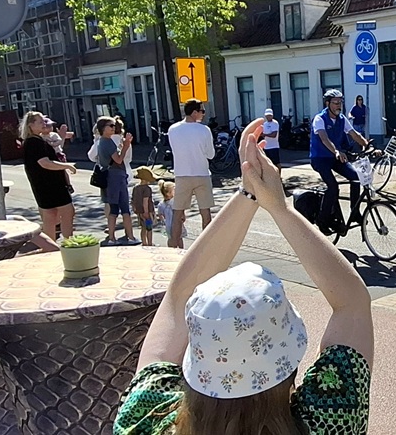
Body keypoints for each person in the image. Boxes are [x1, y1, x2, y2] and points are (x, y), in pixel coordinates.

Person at [113, 118, 373, 435]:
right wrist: (279, 207)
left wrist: (246, 195)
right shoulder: (330, 420)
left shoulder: (146, 420)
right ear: (289, 363)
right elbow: (353, 303)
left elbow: (177, 298)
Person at [310, 89, 370, 235]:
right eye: (335, 103)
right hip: (320, 159)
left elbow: (354, 134)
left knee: (356, 178)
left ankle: (355, 212)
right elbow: (324, 139)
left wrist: (369, 146)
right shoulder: (319, 119)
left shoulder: (342, 119)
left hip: (335, 158)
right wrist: (336, 151)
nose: (338, 106)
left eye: (340, 103)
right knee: (333, 187)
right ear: (327, 103)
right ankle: (322, 220)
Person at [20, 111, 77, 241]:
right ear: (30, 125)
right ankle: (69, 242)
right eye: (40, 122)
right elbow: (45, 163)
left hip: (43, 185)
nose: (44, 124)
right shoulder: (34, 142)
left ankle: (51, 246)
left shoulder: (35, 140)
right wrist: (66, 166)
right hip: (50, 185)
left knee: (50, 216)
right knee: (67, 212)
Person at [167, 99, 217, 248]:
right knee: (205, 212)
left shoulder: (173, 129)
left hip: (182, 174)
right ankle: (205, 248)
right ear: (194, 112)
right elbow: (211, 154)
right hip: (201, 173)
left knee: (177, 213)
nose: (203, 114)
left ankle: (173, 246)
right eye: (202, 111)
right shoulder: (204, 130)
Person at [96, 116, 139, 246]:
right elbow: (118, 160)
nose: (114, 128)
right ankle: (128, 237)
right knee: (122, 207)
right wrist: (126, 146)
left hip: (112, 176)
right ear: (103, 128)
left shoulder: (103, 142)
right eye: (111, 126)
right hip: (115, 177)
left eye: (114, 125)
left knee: (115, 208)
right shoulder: (107, 142)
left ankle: (114, 237)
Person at [41, 117, 73, 193]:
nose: (49, 128)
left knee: (63, 169)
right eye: (47, 126)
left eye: (51, 126)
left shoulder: (53, 135)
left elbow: (59, 141)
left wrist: (53, 144)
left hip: (58, 154)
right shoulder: (41, 137)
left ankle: (68, 184)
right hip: (49, 155)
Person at [156, 180, 186, 248]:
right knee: (179, 237)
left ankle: (171, 249)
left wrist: (163, 221)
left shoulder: (161, 204)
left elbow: (160, 214)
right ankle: (181, 249)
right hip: (177, 222)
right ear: (168, 193)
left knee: (170, 238)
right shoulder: (175, 201)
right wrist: (183, 216)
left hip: (168, 224)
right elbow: (180, 209)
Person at [131, 166, 157, 247]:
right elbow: (145, 201)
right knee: (149, 228)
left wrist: (135, 209)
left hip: (139, 212)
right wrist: (146, 212)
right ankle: (149, 243)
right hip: (147, 212)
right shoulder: (147, 189)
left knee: (143, 228)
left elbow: (133, 200)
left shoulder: (136, 188)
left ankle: (144, 242)